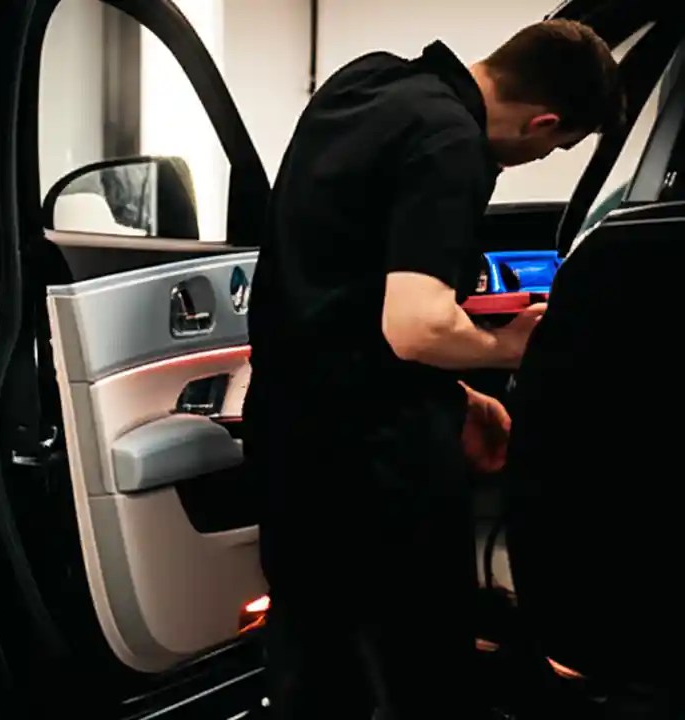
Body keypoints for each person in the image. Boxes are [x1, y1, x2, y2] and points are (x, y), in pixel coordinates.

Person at [241, 19, 624, 720]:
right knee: (417, 664)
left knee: (312, 654)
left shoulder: (367, 78)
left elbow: (339, 290)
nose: (532, 159)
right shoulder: (454, 143)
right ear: (543, 121)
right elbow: (416, 326)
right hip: (376, 457)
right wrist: (511, 347)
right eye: (552, 148)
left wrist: (461, 391)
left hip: (288, 431)